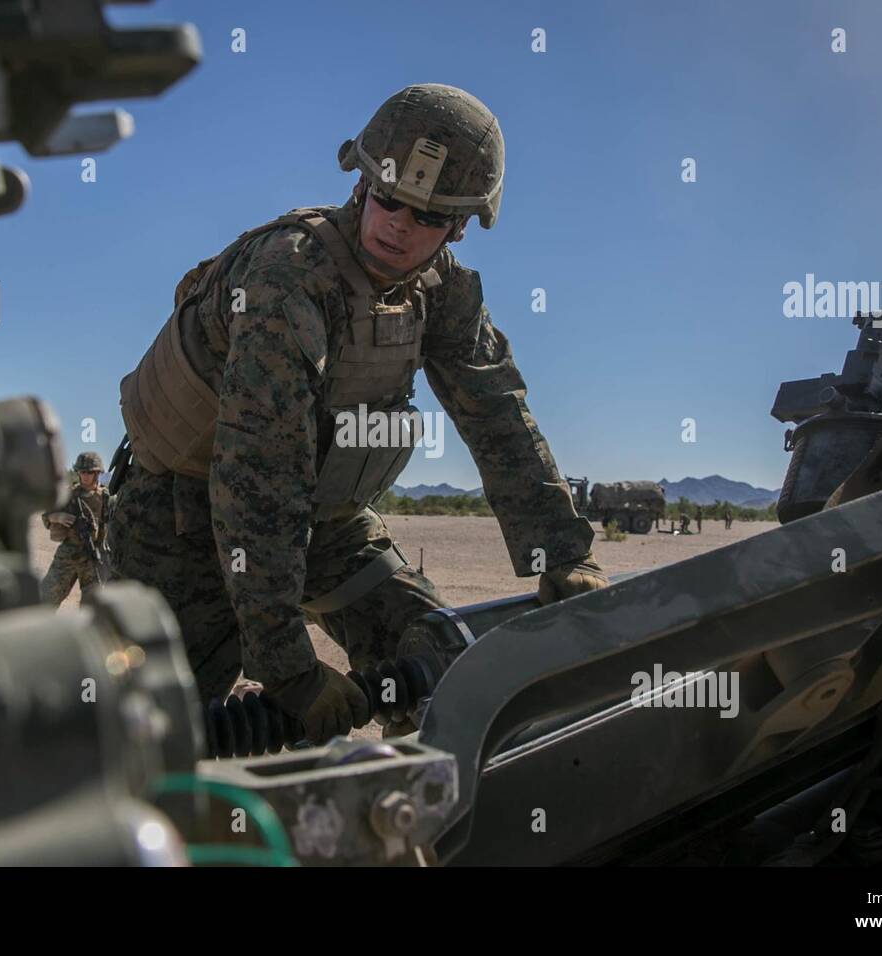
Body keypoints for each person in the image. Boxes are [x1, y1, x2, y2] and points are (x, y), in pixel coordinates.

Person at [110, 84, 608, 743]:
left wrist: (561, 554)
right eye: (391, 198)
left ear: (458, 228)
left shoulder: (443, 294)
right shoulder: (289, 276)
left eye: (427, 217)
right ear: (361, 186)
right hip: (182, 520)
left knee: (443, 664)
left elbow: (499, 417)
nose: (400, 224)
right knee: (155, 735)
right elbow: (261, 469)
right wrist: (286, 666)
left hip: (324, 519)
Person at [40, 452, 110, 606]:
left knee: (92, 605)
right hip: (69, 553)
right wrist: (57, 517)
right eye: (82, 472)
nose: (85, 476)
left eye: (89, 472)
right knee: (46, 598)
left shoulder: (104, 496)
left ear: (97, 473)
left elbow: (108, 523)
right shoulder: (69, 494)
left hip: (92, 556)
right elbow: (46, 516)